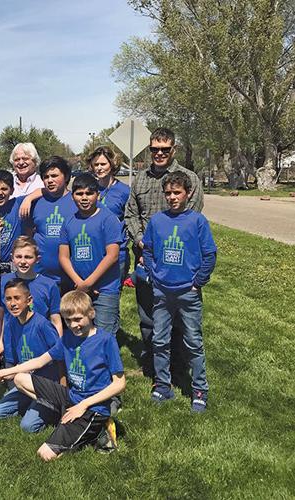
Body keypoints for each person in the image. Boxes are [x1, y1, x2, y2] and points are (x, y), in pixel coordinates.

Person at [0, 291, 125, 461]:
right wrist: (5, 372)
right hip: (71, 397)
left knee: (44, 455)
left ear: (91, 314)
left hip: (93, 407)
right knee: (20, 378)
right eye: (68, 321)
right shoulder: (68, 338)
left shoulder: (106, 341)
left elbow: (119, 384)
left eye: (77, 319)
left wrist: (83, 405)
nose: (73, 325)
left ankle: (98, 431)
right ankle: (62, 416)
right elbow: (40, 361)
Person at [124, 127, 204, 376]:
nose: (159, 153)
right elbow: (131, 214)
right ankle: (154, 365)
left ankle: (179, 367)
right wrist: (140, 241)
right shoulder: (140, 178)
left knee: (180, 317)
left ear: (174, 149)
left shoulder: (188, 178)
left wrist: (161, 246)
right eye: (154, 149)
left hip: (178, 261)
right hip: (145, 259)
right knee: (148, 316)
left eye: (164, 149)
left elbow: (191, 219)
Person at [142, 171, 216, 412]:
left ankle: (199, 390)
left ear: (188, 193)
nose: (172, 197)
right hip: (162, 291)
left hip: (188, 292)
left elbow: (209, 254)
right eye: (168, 193)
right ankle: (163, 385)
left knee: (193, 341)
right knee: (160, 339)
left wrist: (198, 282)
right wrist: (154, 275)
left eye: (177, 192)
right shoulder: (157, 221)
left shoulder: (197, 221)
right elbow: (148, 250)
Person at [0, 279, 61, 433]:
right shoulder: (10, 323)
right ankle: (32, 404)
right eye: (8, 299)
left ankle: (54, 407)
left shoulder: (43, 325)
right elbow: (12, 363)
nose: (13, 304)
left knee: (28, 427)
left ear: (29, 300)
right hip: (24, 383)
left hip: (46, 384)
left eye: (17, 298)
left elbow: (60, 357)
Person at [59, 173, 124, 334]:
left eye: (89, 193)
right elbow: (64, 256)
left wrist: (88, 283)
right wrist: (79, 283)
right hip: (78, 287)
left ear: (98, 195)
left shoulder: (108, 219)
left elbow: (112, 255)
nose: (84, 198)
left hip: (105, 289)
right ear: (72, 196)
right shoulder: (68, 222)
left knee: (104, 334)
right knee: (80, 332)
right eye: (79, 194)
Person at [0, 237, 63, 355]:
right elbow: (1, 316)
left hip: (39, 348)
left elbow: (55, 319)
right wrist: (0, 342)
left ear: (37, 259)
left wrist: (57, 348)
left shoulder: (49, 285)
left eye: (28, 257)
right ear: (12, 257)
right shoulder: (3, 281)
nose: (23, 261)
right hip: (11, 346)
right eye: (19, 257)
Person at [23, 156, 77, 292]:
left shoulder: (77, 201)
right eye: (46, 177)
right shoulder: (35, 203)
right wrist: (28, 198)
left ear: (66, 177)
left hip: (71, 278)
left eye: (54, 176)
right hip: (40, 276)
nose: (50, 180)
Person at [88, 146, 131, 282]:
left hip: (116, 253)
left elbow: (131, 218)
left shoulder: (124, 191)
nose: (99, 168)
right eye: (96, 164)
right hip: (93, 251)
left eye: (103, 164)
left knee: (111, 297)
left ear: (112, 164)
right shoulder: (89, 188)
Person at [0, 170, 25, 271]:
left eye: (4, 189)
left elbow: (42, 191)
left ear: (11, 190)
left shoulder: (18, 204)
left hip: (14, 266)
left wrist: (29, 199)